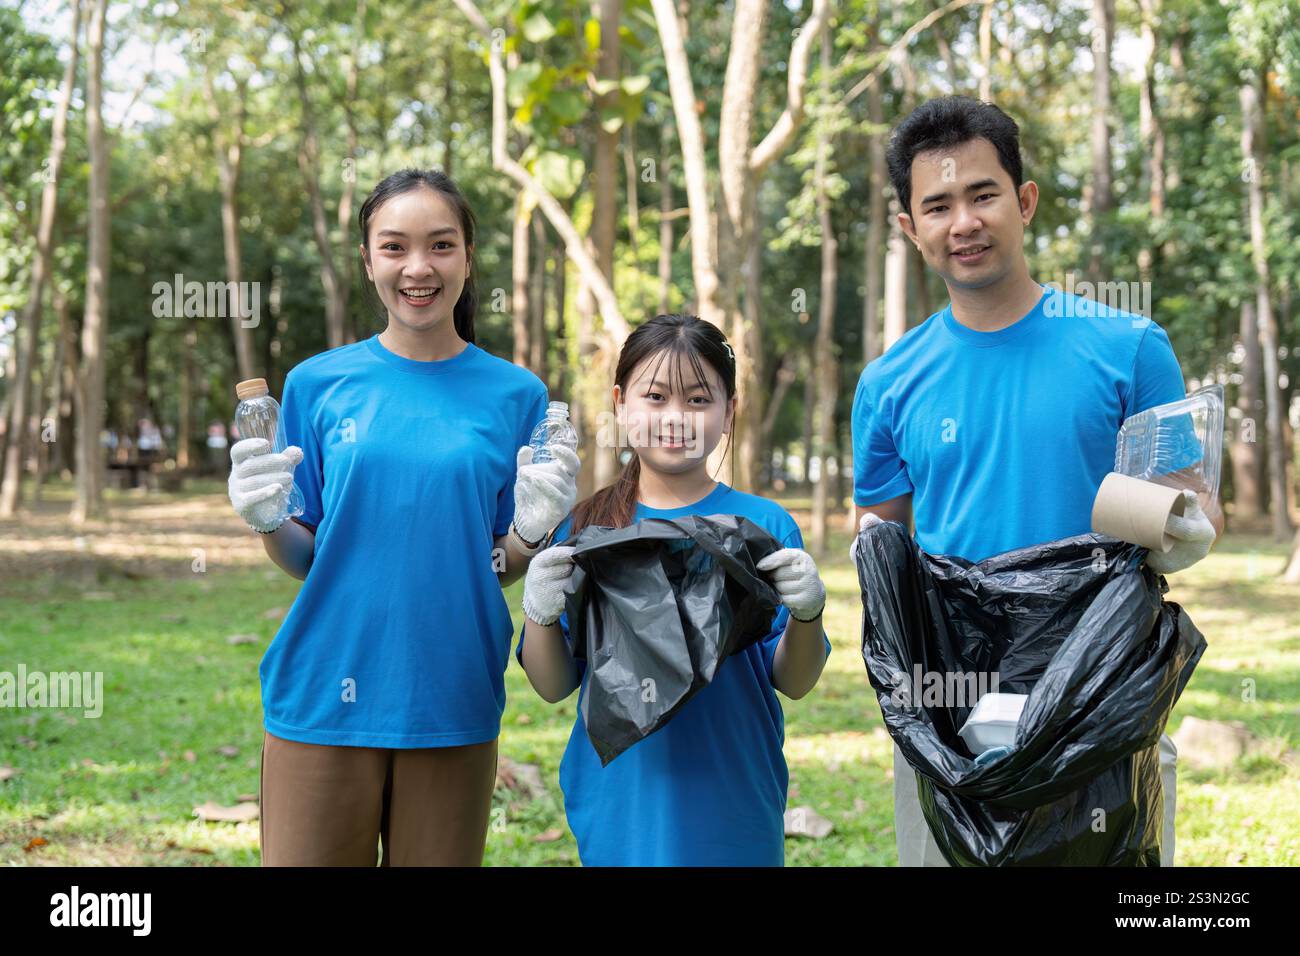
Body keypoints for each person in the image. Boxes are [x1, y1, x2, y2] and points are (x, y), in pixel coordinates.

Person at [851, 97, 1220, 867]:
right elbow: (883, 546)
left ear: (1023, 202)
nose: (964, 223)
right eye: (938, 205)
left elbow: (1190, 495)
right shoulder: (889, 383)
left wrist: (1186, 527)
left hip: (1097, 696)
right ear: (909, 229)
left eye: (983, 194)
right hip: (955, 708)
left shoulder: (1128, 348)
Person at [225, 168, 580, 866]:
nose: (419, 267)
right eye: (395, 247)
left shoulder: (518, 396)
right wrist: (269, 520)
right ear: (368, 261)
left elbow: (498, 567)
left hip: (451, 693)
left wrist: (531, 534)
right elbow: (306, 556)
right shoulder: (317, 384)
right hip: (325, 687)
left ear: (468, 258)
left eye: (441, 245)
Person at [516, 313, 832, 866]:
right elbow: (552, 685)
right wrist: (540, 610)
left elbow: (795, 681)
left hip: (734, 793)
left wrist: (808, 613)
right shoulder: (587, 528)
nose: (676, 417)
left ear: (729, 411)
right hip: (621, 798)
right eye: (655, 396)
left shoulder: (765, 523)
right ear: (620, 403)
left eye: (697, 399)